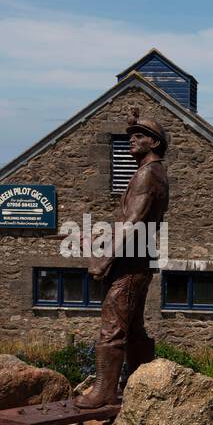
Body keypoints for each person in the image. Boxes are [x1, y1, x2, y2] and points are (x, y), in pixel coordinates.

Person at [75, 106, 169, 409]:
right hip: (140, 261)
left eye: (139, 136)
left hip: (129, 264)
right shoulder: (156, 172)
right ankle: (141, 385)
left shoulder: (146, 175)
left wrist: (104, 260)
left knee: (112, 328)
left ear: (153, 143)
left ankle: (103, 392)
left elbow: (133, 222)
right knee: (135, 328)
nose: (132, 140)